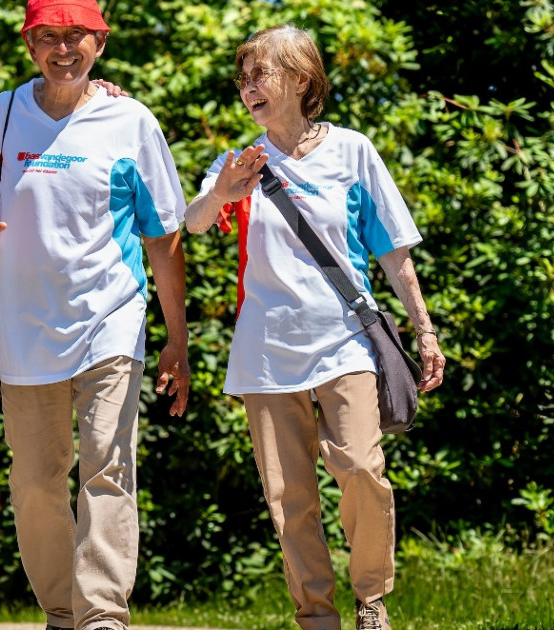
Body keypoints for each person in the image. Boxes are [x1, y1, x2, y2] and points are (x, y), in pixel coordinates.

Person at [184, 24, 447, 630]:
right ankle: (316, 617)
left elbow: (394, 250)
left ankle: (372, 599)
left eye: (261, 75)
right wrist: (222, 191)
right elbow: (192, 224)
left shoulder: (353, 151)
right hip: (265, 354)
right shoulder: (239, 163)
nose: (248, 87)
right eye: (243, 78)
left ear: (301, 79)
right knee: (289, 499)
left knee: (361, 468)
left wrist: (424, 330)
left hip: (346, 342)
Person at [0, 1, 190, 628]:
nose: (62, 49)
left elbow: (163, 236)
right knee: (35, 483)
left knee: (107, 465)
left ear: (99, 44)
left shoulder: (130, 120)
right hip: (21, 329)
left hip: (113, 317)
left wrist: (176, 338)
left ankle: (102, 614)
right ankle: (60, 610)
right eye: (47, 36)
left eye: (76, 36)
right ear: (29, 44)